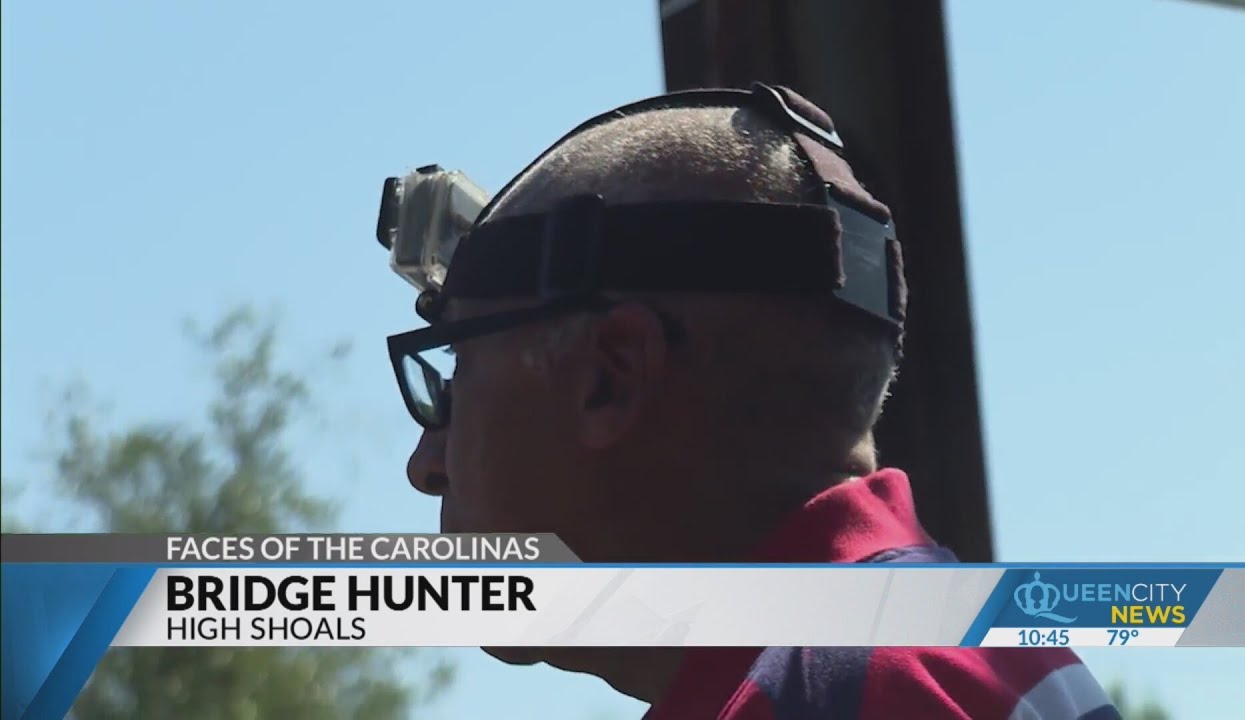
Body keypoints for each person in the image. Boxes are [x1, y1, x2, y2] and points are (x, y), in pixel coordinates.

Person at [390, 85, 1119, 719]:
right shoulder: (893, 653)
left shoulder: (847, 686)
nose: (426, 465)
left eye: (460, 367)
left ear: (608, 378)